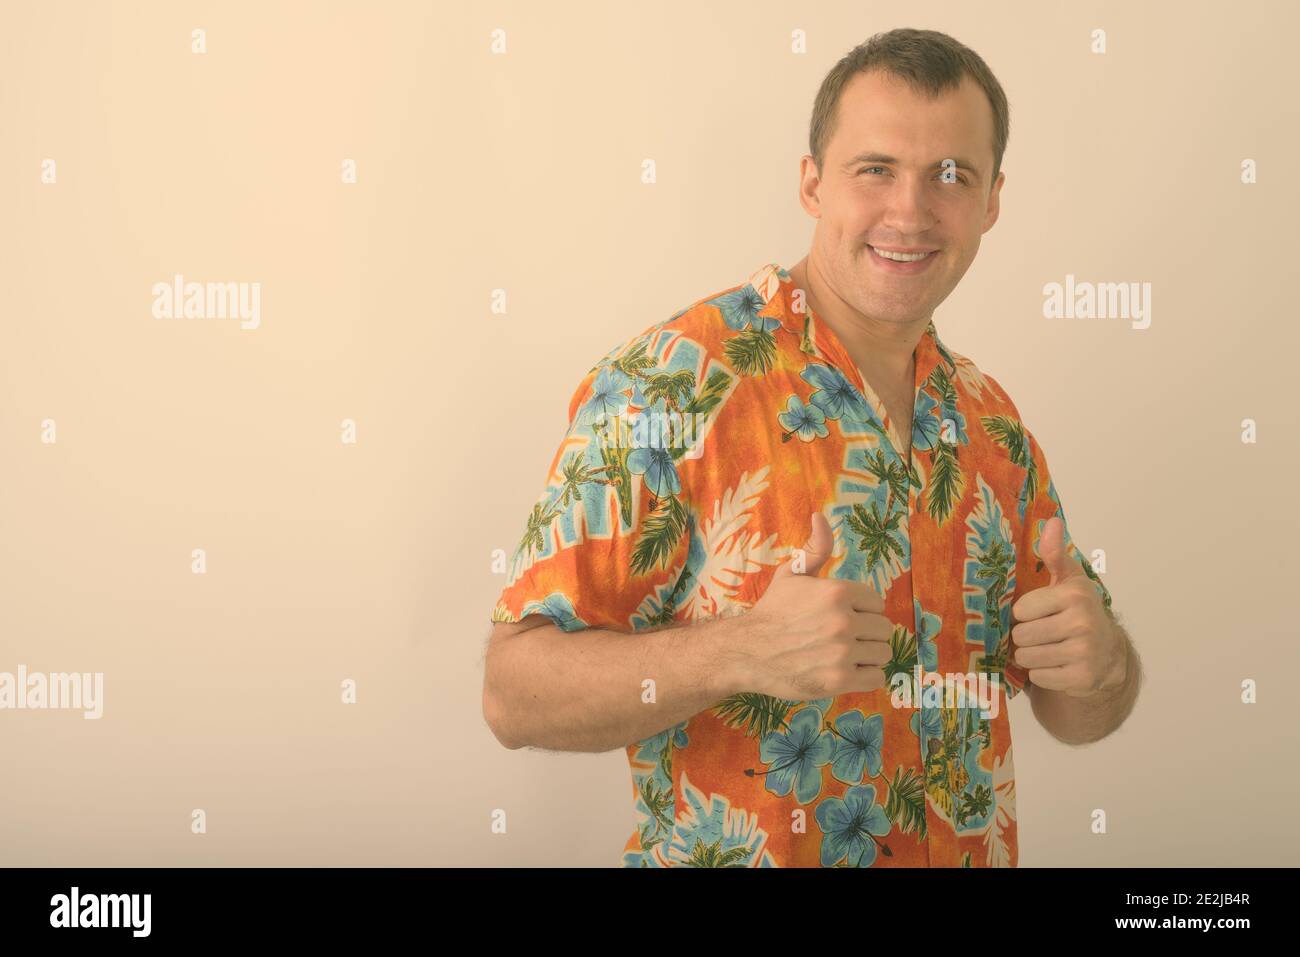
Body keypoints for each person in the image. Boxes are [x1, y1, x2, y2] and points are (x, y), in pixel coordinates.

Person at [483, 27, 1142, 868]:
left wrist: (1103, 661)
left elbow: (1076, 708)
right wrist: (739, 651)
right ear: (811, 184)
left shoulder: (991, 422)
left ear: (991, 202)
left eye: (951, 175)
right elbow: (513, 694)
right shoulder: (675, 382)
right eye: (876, 169)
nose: (910, 210)